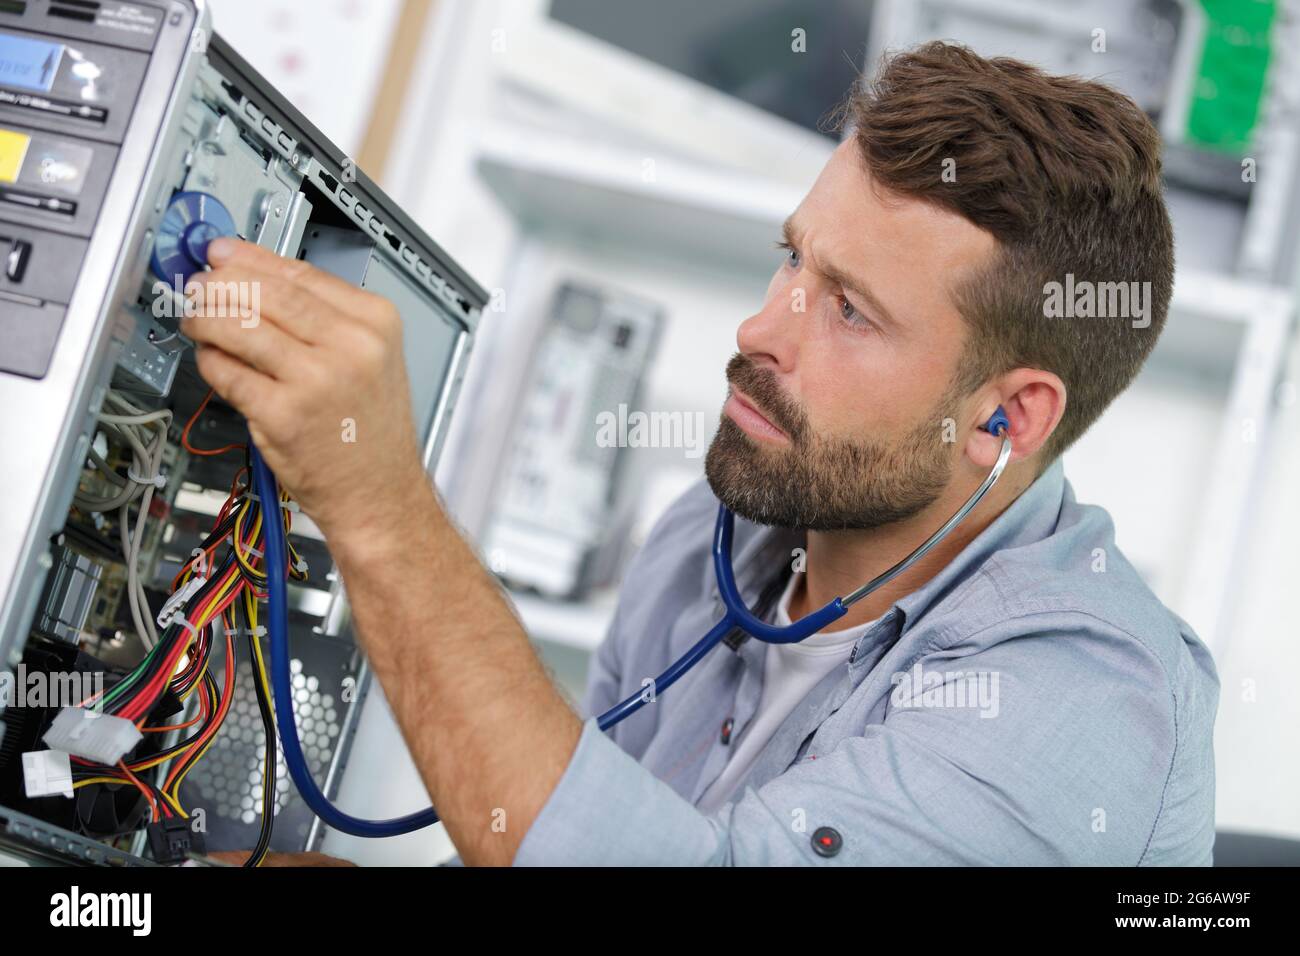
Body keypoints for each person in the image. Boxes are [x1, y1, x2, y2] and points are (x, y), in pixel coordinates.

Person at [183, 41, 1218, 866]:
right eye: (791, 259)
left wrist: (381, 509)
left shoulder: (1083, 697)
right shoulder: (718, 534)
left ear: (1007, 419)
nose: (763, 329)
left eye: (850, 309)